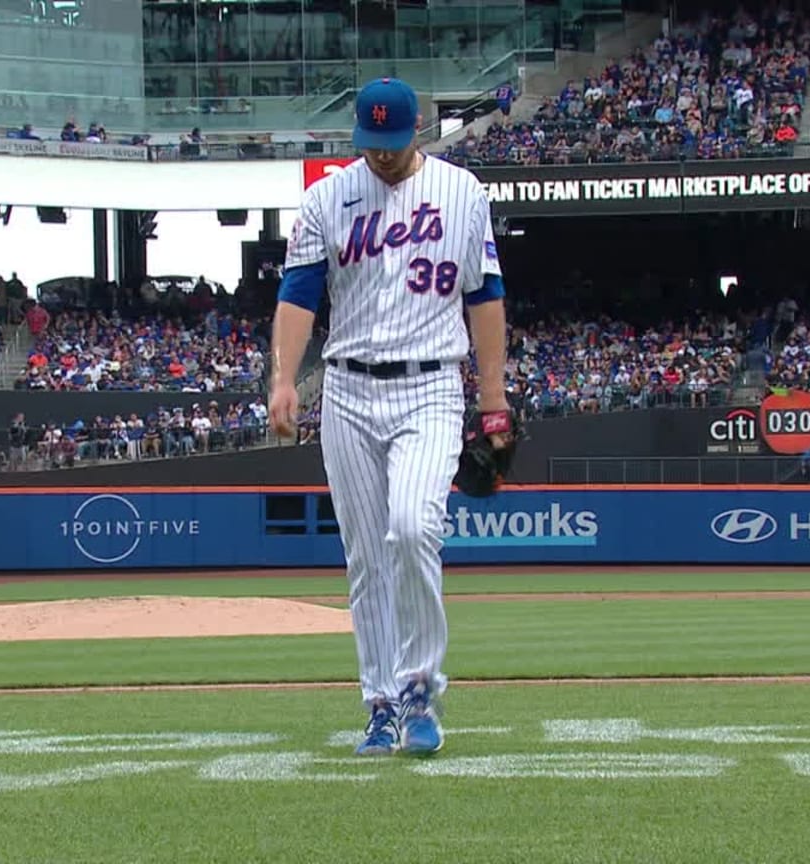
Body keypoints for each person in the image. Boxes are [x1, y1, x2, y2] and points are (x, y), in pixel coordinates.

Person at [268, 76, 511, 757]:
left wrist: (493, 397)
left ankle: (419, 685)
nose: (380, 156)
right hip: (347, 390)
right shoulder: (327, 199)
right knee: (368, 558)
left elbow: (485, 295)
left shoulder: (463, 193)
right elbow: (298, 294)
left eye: (392, 143)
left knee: (412, 527)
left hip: (432, 384)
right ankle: (378, 701)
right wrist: (284, 380)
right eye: (369, 144)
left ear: (418, 134)